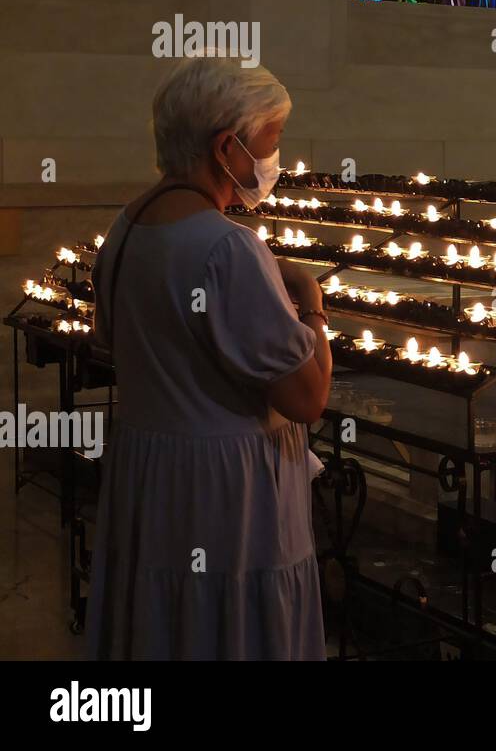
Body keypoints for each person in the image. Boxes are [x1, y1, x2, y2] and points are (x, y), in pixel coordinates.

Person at [86, 59, 332, 660]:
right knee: (229, 629)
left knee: (168, 624)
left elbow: (108, 339)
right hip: (226, 493)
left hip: (154, 470)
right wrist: (312, 307)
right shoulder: (228, 248)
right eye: (270, 144)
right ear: (227, 147)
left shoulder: (127, 226)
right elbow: (306, 397)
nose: (274, 160)